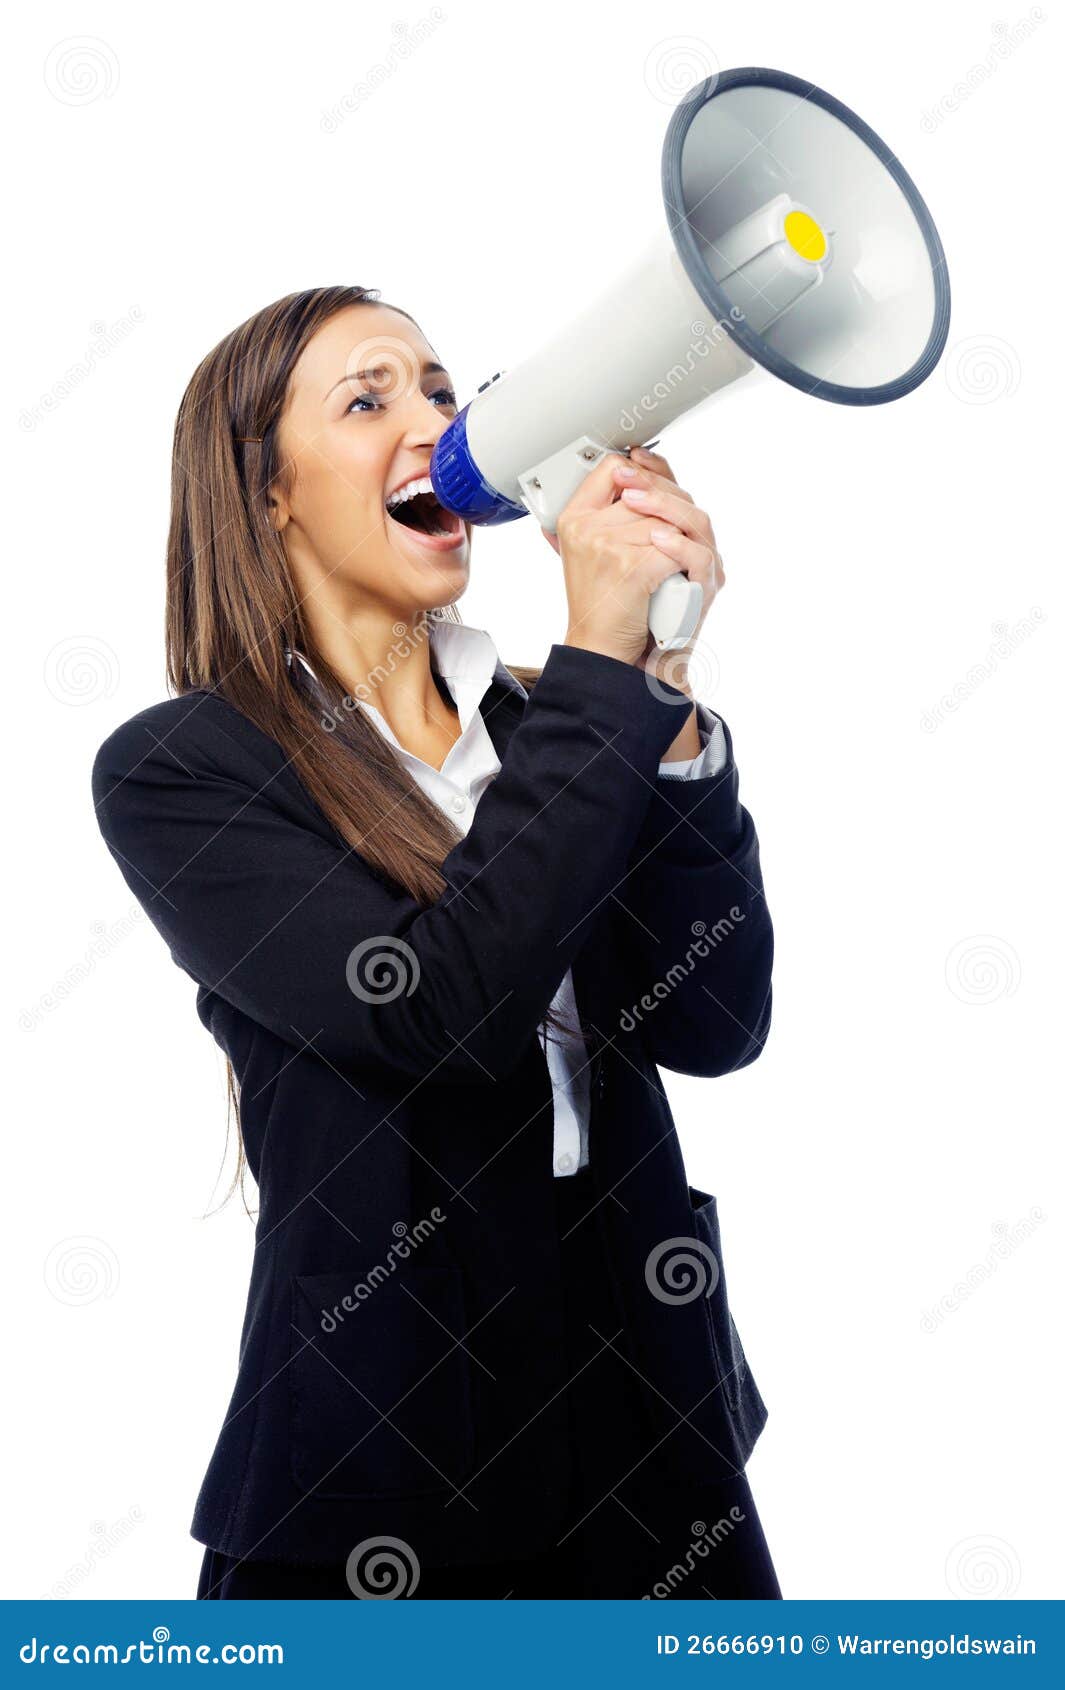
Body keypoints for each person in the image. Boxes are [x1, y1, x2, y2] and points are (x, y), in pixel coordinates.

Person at [91, 285, 779, 1599]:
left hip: (656, 1446)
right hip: (387, 1481)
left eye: (440, 388)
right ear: (267, 494)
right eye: (367, 398)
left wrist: (668, 698)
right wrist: (599, 665)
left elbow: (712, 1023)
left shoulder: (553, 721)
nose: (437, 424)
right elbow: (443, 1011)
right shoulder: (186, 770)